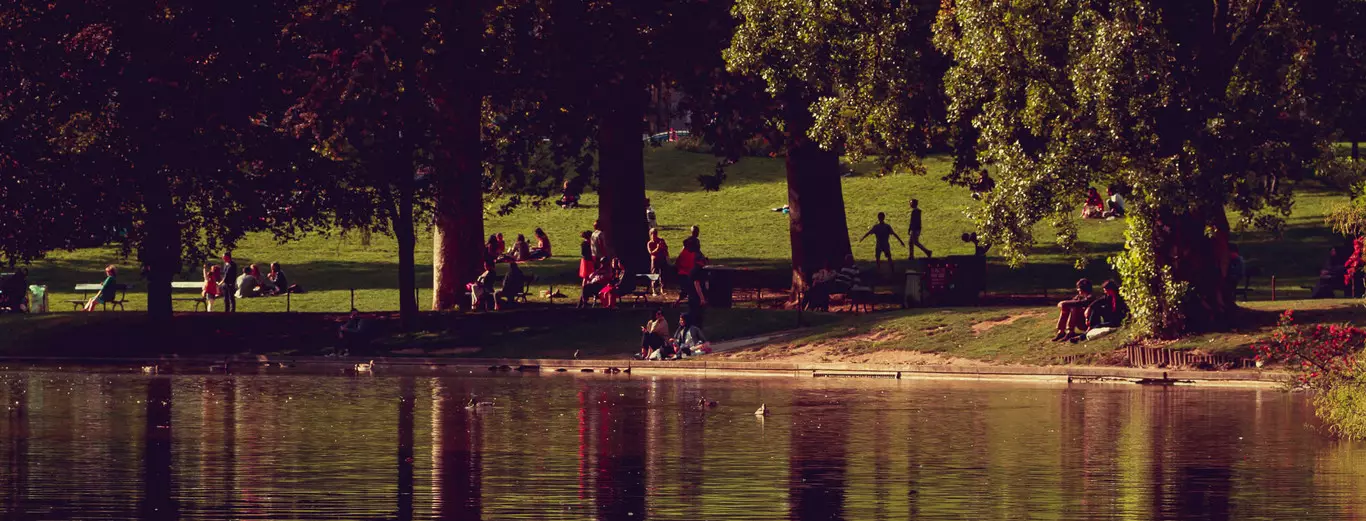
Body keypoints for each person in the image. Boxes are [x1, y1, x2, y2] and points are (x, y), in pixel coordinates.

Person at [647, 228, 669, 295]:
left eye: (655, 234)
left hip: (662, 259)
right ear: (651, 235)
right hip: (654, 260)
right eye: (653, 234)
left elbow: (666, 248)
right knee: (654, 274)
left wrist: (663, 248)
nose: (654, 236)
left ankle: (662, 289)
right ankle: (654, 290)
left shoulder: (661, 240)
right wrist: (657, 248)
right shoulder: (650, 243)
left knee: (662, 274)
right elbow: (651, 252)